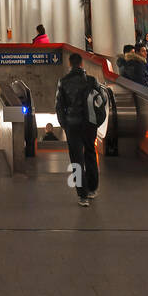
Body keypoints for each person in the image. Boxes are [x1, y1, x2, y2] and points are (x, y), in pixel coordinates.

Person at [55, 53, 100, 205]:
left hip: (72, 124)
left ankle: (82, 195)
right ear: (81, 64)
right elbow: (100, 101)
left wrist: (64, 124)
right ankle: (93, 188)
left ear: (70, 64)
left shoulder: (63, 82)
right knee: (90, 153)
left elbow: (59, 105)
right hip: (89, 123)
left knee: (76, 159)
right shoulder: (92, 80)